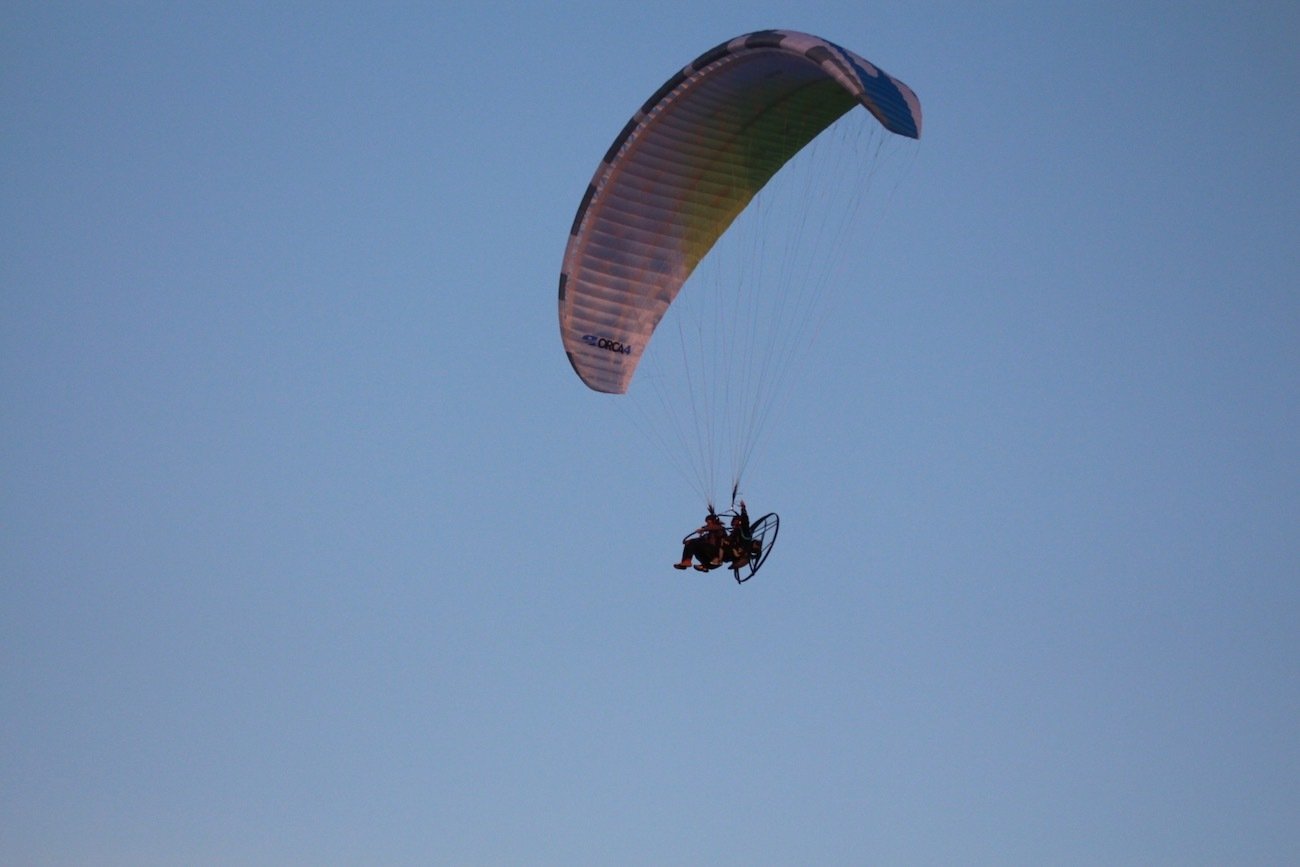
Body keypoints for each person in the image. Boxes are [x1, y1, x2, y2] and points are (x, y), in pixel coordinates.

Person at [723, 501, 751, 569]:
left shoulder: (743, 528)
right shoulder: (734, 532)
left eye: (735, 522)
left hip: (742, 546)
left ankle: (741, 556)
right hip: (734, 548)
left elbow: (745, 519)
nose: (733, 525)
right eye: (733, 523)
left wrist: (743, 509)